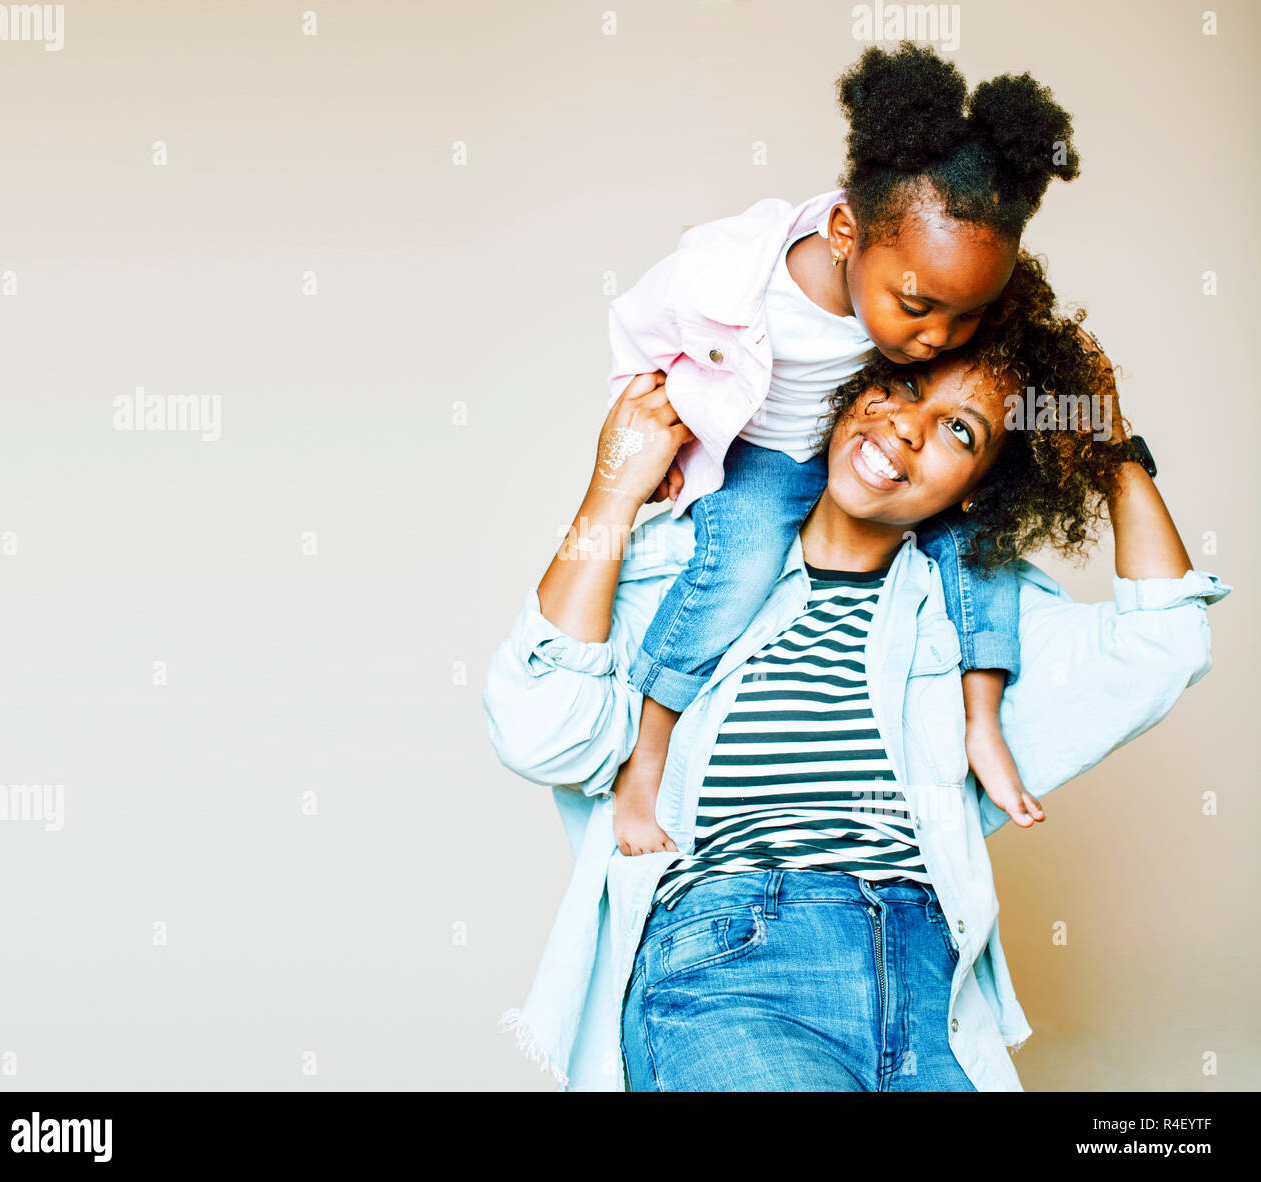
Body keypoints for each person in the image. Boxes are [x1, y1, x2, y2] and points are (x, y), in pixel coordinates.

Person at [483, 254, 1230, 1091]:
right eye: (905, 385)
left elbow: (1166, 646)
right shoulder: (697, 572)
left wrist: (1108, 439)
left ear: (978, 493)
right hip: (736, 968)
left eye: (960, 430)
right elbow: (539, 727)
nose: (909, 426)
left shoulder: (975, 624)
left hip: (931, 987)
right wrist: (610, 493)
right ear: (855, 389)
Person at [606, 43, 1083, 863]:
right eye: (919, 306)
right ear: (843, 233)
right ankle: (647, 758)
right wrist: (646, 425)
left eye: (967, 316)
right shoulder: (730, 279)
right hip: (759, 460)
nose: (937, 337)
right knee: (742, 563)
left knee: (980, 537)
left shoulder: (910, 321)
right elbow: (638, 322)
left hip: (847, 452)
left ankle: (981, 723)